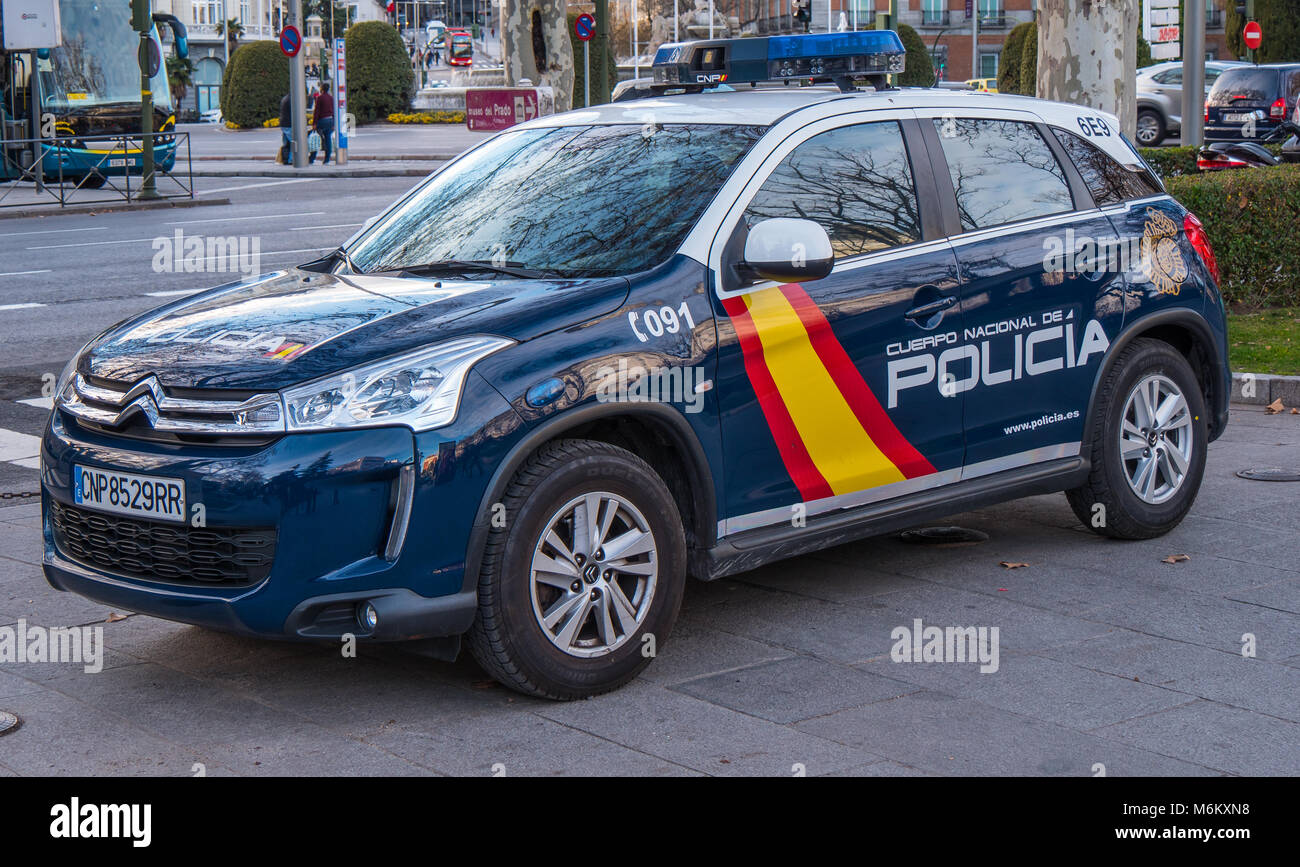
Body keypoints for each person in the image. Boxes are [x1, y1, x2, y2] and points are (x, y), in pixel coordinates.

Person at [308, 82, 334, 166]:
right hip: (330, 120)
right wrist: (334, 123)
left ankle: (311, 159)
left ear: (321, 89)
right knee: (328, 139)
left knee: (316, 139)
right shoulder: (331, 98)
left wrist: (314, 123)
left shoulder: (319, 98)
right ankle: (327, 160)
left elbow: (317, 111)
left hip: (322, 121)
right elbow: (333, 110)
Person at [278, 92, 293, 164]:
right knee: (294, 142)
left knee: (286, 143)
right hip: (289, 124)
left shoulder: (285, 98)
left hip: (284, 123)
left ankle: (285, 159)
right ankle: (291, 159)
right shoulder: (292, 100)